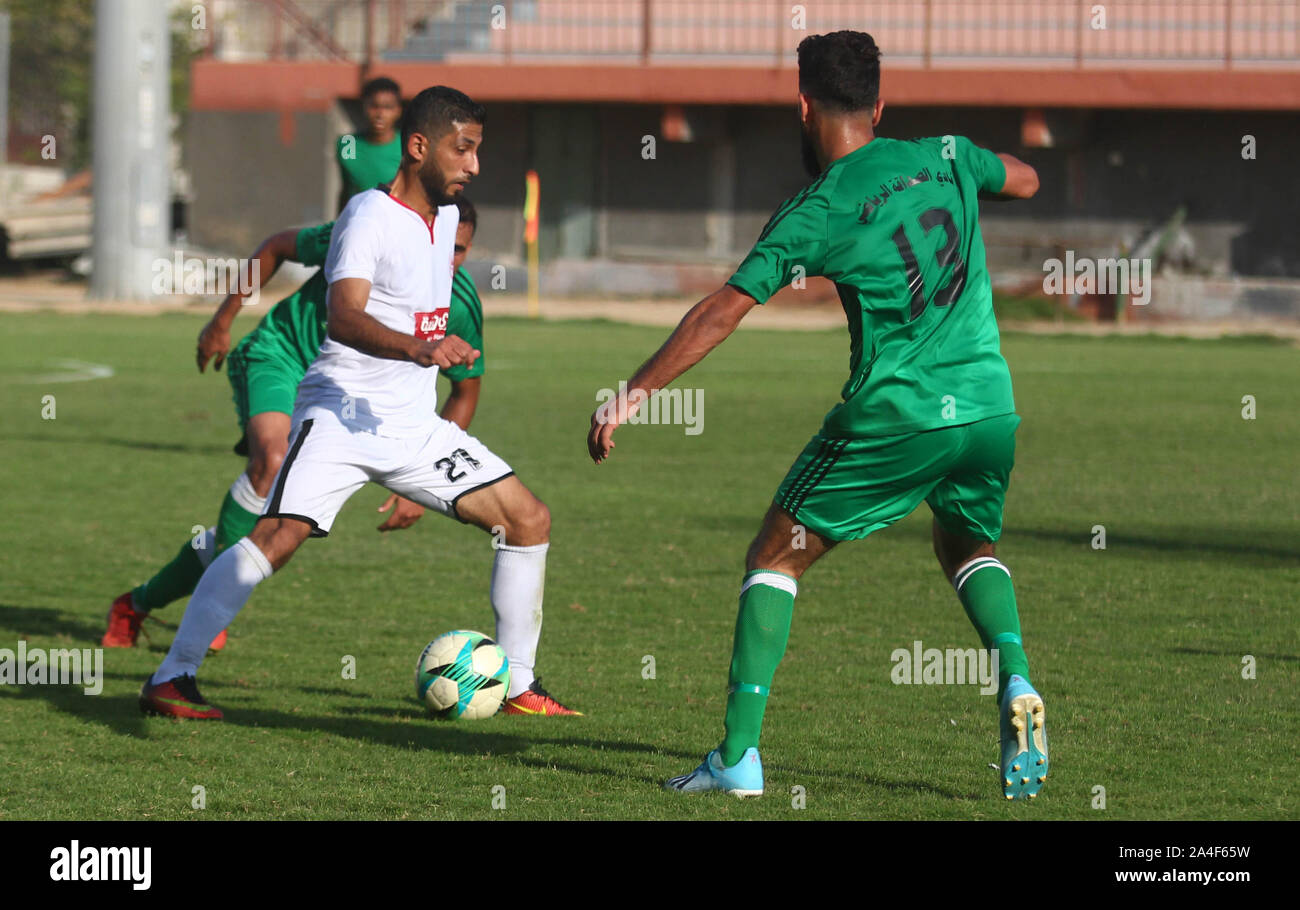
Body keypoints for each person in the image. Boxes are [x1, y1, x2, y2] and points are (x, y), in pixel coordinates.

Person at [586, 31, 1044, 799]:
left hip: (899, 415)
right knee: (965, 541)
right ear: (880, 104)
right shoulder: (947, 153)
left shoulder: (817, 209)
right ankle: (1016, 676)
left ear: (803, 105)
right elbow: (1026, 181)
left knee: (774, 555)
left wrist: (633, 392)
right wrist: (970, 166)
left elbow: (721, 313)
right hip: (990, 408)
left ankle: (736, 760)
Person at [140, 86, 579, 719]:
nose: (474, 165)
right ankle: (172, 676)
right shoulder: (367, 217)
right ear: (420, 146)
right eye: (464, 149)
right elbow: (342, 319)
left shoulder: (449, 219)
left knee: (528, 520)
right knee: (277, 535)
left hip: (413, 429)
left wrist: (425, 357)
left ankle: (517, 685)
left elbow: (460, 373)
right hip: (341, 415)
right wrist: (418, 349)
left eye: (478, 151)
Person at [103, 194, 487, 650]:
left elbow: (464, 390)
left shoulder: (459, 302)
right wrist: (222, 320)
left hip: (341, 397)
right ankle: (206, 615)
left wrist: (425, 485)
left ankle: (138, 602)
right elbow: (275, 247)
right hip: (281, 356)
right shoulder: (366, 233)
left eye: (458, 250)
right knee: (272, 457)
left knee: (275, 526)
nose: (446, 258)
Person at [337, 76, 404, 213]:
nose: (380, 114)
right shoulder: (347, 143)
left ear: (398, 110)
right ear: (364, 107)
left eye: (388, 107)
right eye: (374, 106)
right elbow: (346, 188)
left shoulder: (407, 145)